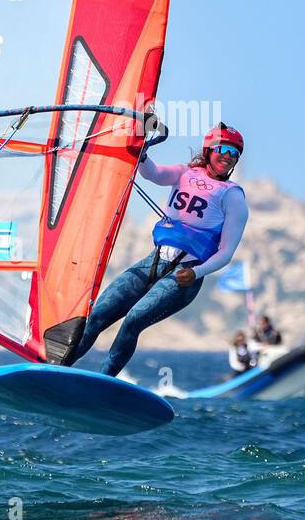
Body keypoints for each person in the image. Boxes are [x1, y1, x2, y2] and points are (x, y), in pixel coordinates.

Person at [70, 123, 249, 376]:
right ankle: (53, 371)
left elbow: (226, 252)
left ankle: (101, 383)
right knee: (98, 314)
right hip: (153, 261)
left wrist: (196, 273)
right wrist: (141, 152)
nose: (227, 157)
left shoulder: (233, 197)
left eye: (234, 154)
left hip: (185, 275)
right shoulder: (184, 173)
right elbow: (151, 173)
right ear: (209, 150)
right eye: (223, 149)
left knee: (132, 322)